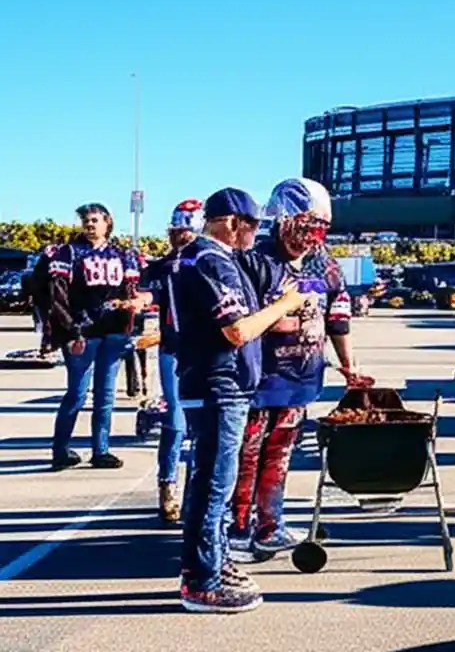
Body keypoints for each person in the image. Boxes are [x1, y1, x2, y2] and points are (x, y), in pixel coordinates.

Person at [177, 187, 303, 613]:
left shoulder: (219, 260)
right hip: (218, 386)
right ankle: (203, 581)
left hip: (224, 385)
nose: (255, 234)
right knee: (213, 484)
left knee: (215, 481)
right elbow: (237, 330)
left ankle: (214, 562)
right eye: (252, 226)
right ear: (233, 223)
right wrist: (285, 303)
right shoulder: (210, 260)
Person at [230, 178, 358, 564]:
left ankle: (271, 524)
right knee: (247, 453)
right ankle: (237, 528)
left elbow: (338, 316)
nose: (310, 236)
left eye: (318, 228)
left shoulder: (325, 263)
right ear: (283, 219)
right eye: (304, 226)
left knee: (281, 453)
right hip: (260, 376)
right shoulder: (255, 260)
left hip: (302, 378)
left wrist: (349, 365)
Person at [47, 203, 150, 471]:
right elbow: (57, 296)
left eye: (95, 220)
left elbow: (132, 291)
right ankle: (60, 450)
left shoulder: (123, 255)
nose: (90, 224)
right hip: (82, 331)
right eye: (86, 220)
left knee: (106, 395)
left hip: (113, 333)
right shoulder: (69, 253)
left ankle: (101, 449)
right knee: (77, 394)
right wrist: (70, 330)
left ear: (108, 222)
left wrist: (130, 321)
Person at [145, 199, 204, 522]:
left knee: (203, 426)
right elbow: (148, 291)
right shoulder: (164, 266)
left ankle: (197, 491)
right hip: (173, 349)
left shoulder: (213, 261)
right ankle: (167, 486)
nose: (180, 237)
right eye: (176, 231)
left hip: (207, 352)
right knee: (177, 420)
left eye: (186, 230)